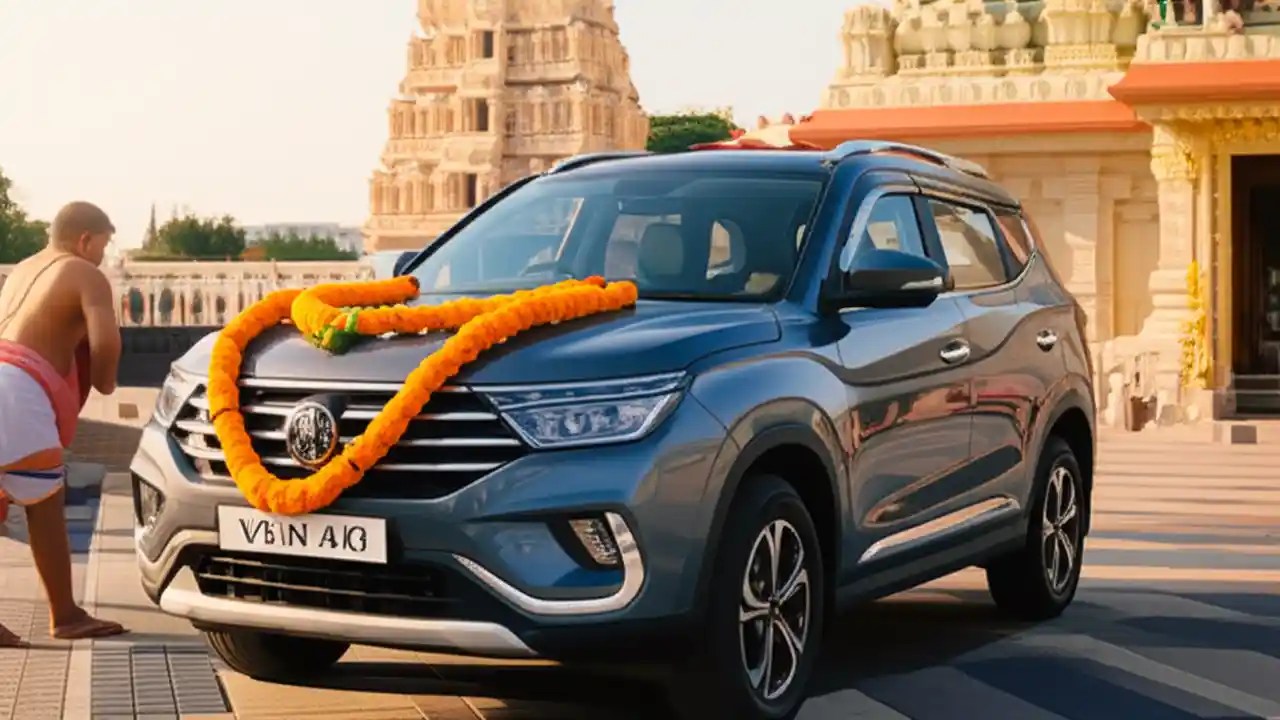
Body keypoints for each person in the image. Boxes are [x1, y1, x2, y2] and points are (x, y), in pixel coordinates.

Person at [0, 201, 127, 647]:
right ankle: (66, 614)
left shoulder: (21, 270)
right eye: (104, 246)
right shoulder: (83, 272)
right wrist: (107, 381)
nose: (103, 258)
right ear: (85, 240)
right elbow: (105, 340)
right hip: (18, 391)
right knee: (45, 503)